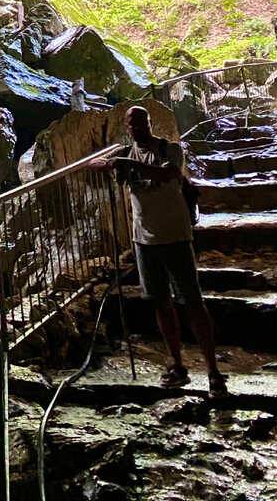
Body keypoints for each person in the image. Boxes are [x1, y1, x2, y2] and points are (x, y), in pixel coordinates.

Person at [99, 105, 228, 398]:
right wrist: (112, 164)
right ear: (127, 127)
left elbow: (168, 174)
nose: (139, 128)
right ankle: (177, 365)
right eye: (133, 125)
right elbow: (92, 164)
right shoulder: (126, 153)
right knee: (161, 303)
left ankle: (213, 371)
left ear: (150, 123)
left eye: (143, 123)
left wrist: (126, 164)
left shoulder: (170, 149)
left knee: (192, 302)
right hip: (144, 240)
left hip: (175, 236)